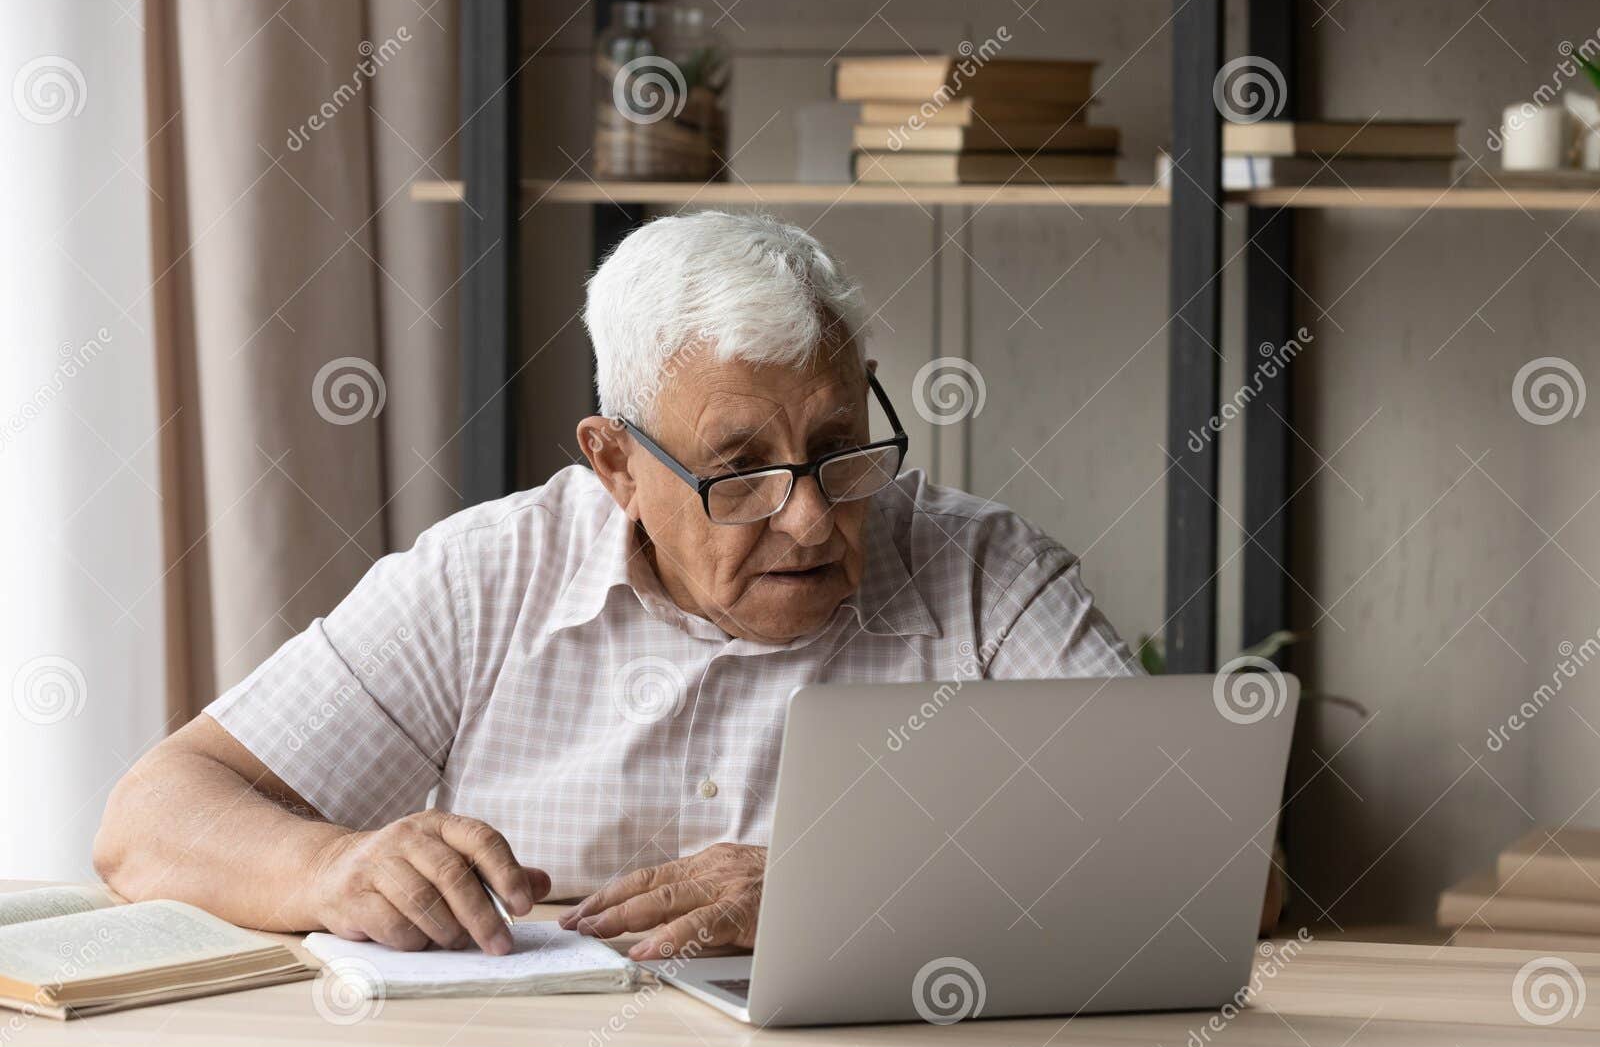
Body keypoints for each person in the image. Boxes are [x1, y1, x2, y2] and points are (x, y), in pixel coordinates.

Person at [94, 210, 1156, 962]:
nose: (811, 516)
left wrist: (857, 889)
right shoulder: (485, 576)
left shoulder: (985, 572)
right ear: (616, 463)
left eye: (837, 447)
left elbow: (1225, 867)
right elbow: (151, 820)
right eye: (740, 469)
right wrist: (330, 866)